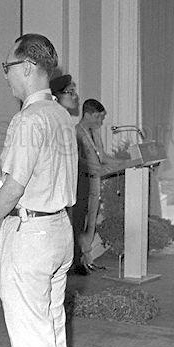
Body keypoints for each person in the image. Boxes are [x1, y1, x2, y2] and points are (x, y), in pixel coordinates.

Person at [0, 33, 77, 347]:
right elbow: (32, 178)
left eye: (8, 67)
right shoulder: (60, 114)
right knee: (52, 327)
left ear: (27, 67)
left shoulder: (27, 120)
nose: (6, 75)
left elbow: (17, 189)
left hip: (29, 238)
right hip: (60, 230)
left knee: (32, 338)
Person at [74, 98, 126, 272]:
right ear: (87, 114)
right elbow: (78, 161)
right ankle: (78, 260)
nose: (100, 121)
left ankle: (87, 257)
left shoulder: (95, 133)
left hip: (95, 181)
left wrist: (121, 163)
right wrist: (98, 167)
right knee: (81, 221)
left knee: (92, 221)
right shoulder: (77, 132)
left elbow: (102, 157)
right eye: (98, 117)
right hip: (83, 183)